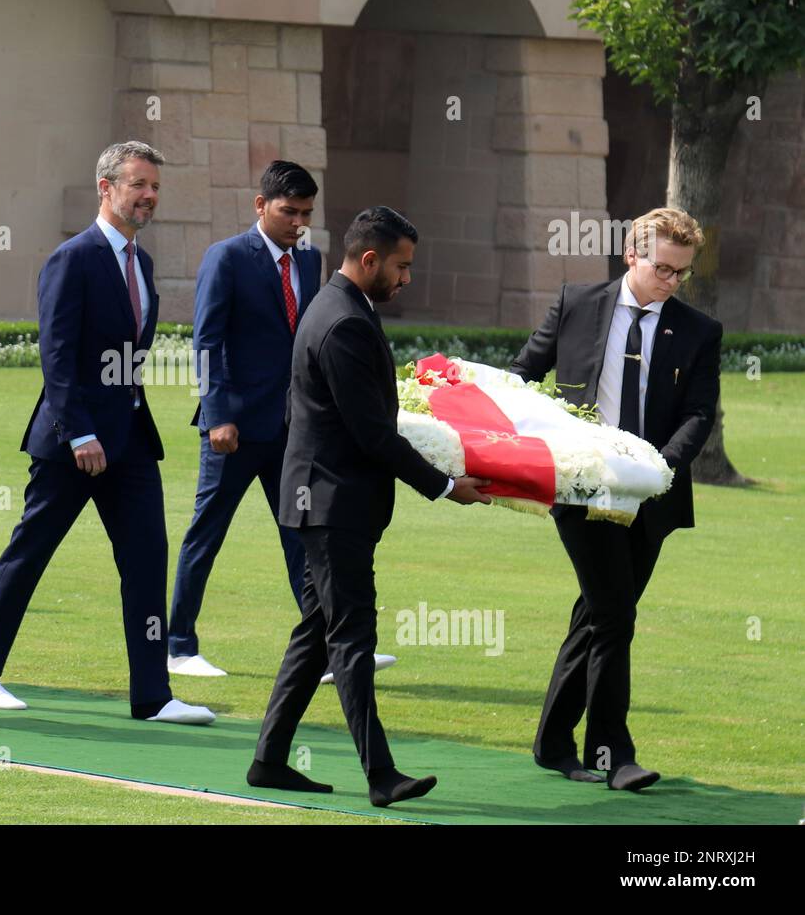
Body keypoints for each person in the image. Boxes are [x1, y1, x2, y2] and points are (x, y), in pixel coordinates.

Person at [0, 141, 214, 725]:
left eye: (155, 187)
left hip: (132, 442)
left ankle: (153, 695)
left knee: (148, 562)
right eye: (138, 184)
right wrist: (78, 433)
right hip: (73, 443)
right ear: (106, 188)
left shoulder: (141, 264)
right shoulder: (73, 258)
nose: (148, 196)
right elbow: (58, 354)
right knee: (31, 554)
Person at [247, 206, 491, 807]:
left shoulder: (339, 309)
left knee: (317, 632)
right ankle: (381, 775)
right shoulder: (346, 322)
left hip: (321, 498)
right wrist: (444, 485)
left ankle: (268, 760)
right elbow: (373, 436)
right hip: (334, 507)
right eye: (402, 266)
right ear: (370, 259)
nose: (407, 278)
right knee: (352, 638)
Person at [510, 207, 721, 792]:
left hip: (650, 496)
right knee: (615, 615)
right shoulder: (576, 303)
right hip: (581, 488)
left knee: (599, 615)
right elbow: (523, 375)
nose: (671, 281)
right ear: (631, 255)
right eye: (662, 268)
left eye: (681, 273)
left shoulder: (701, 331)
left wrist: (660, 467)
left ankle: (554, 743)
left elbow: (700, 412)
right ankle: (612, 753)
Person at [167, 161, 322, 677]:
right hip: (230, 430)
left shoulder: (310, 259)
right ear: (261, 205)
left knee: (302, 533)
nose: (297, 222)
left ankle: (322, 644)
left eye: (305, 213)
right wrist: (217, 415)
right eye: (287, 211)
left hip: (291, 429)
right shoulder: (227, 257)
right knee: (207, 532)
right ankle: (179, 646)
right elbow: (206, 341)